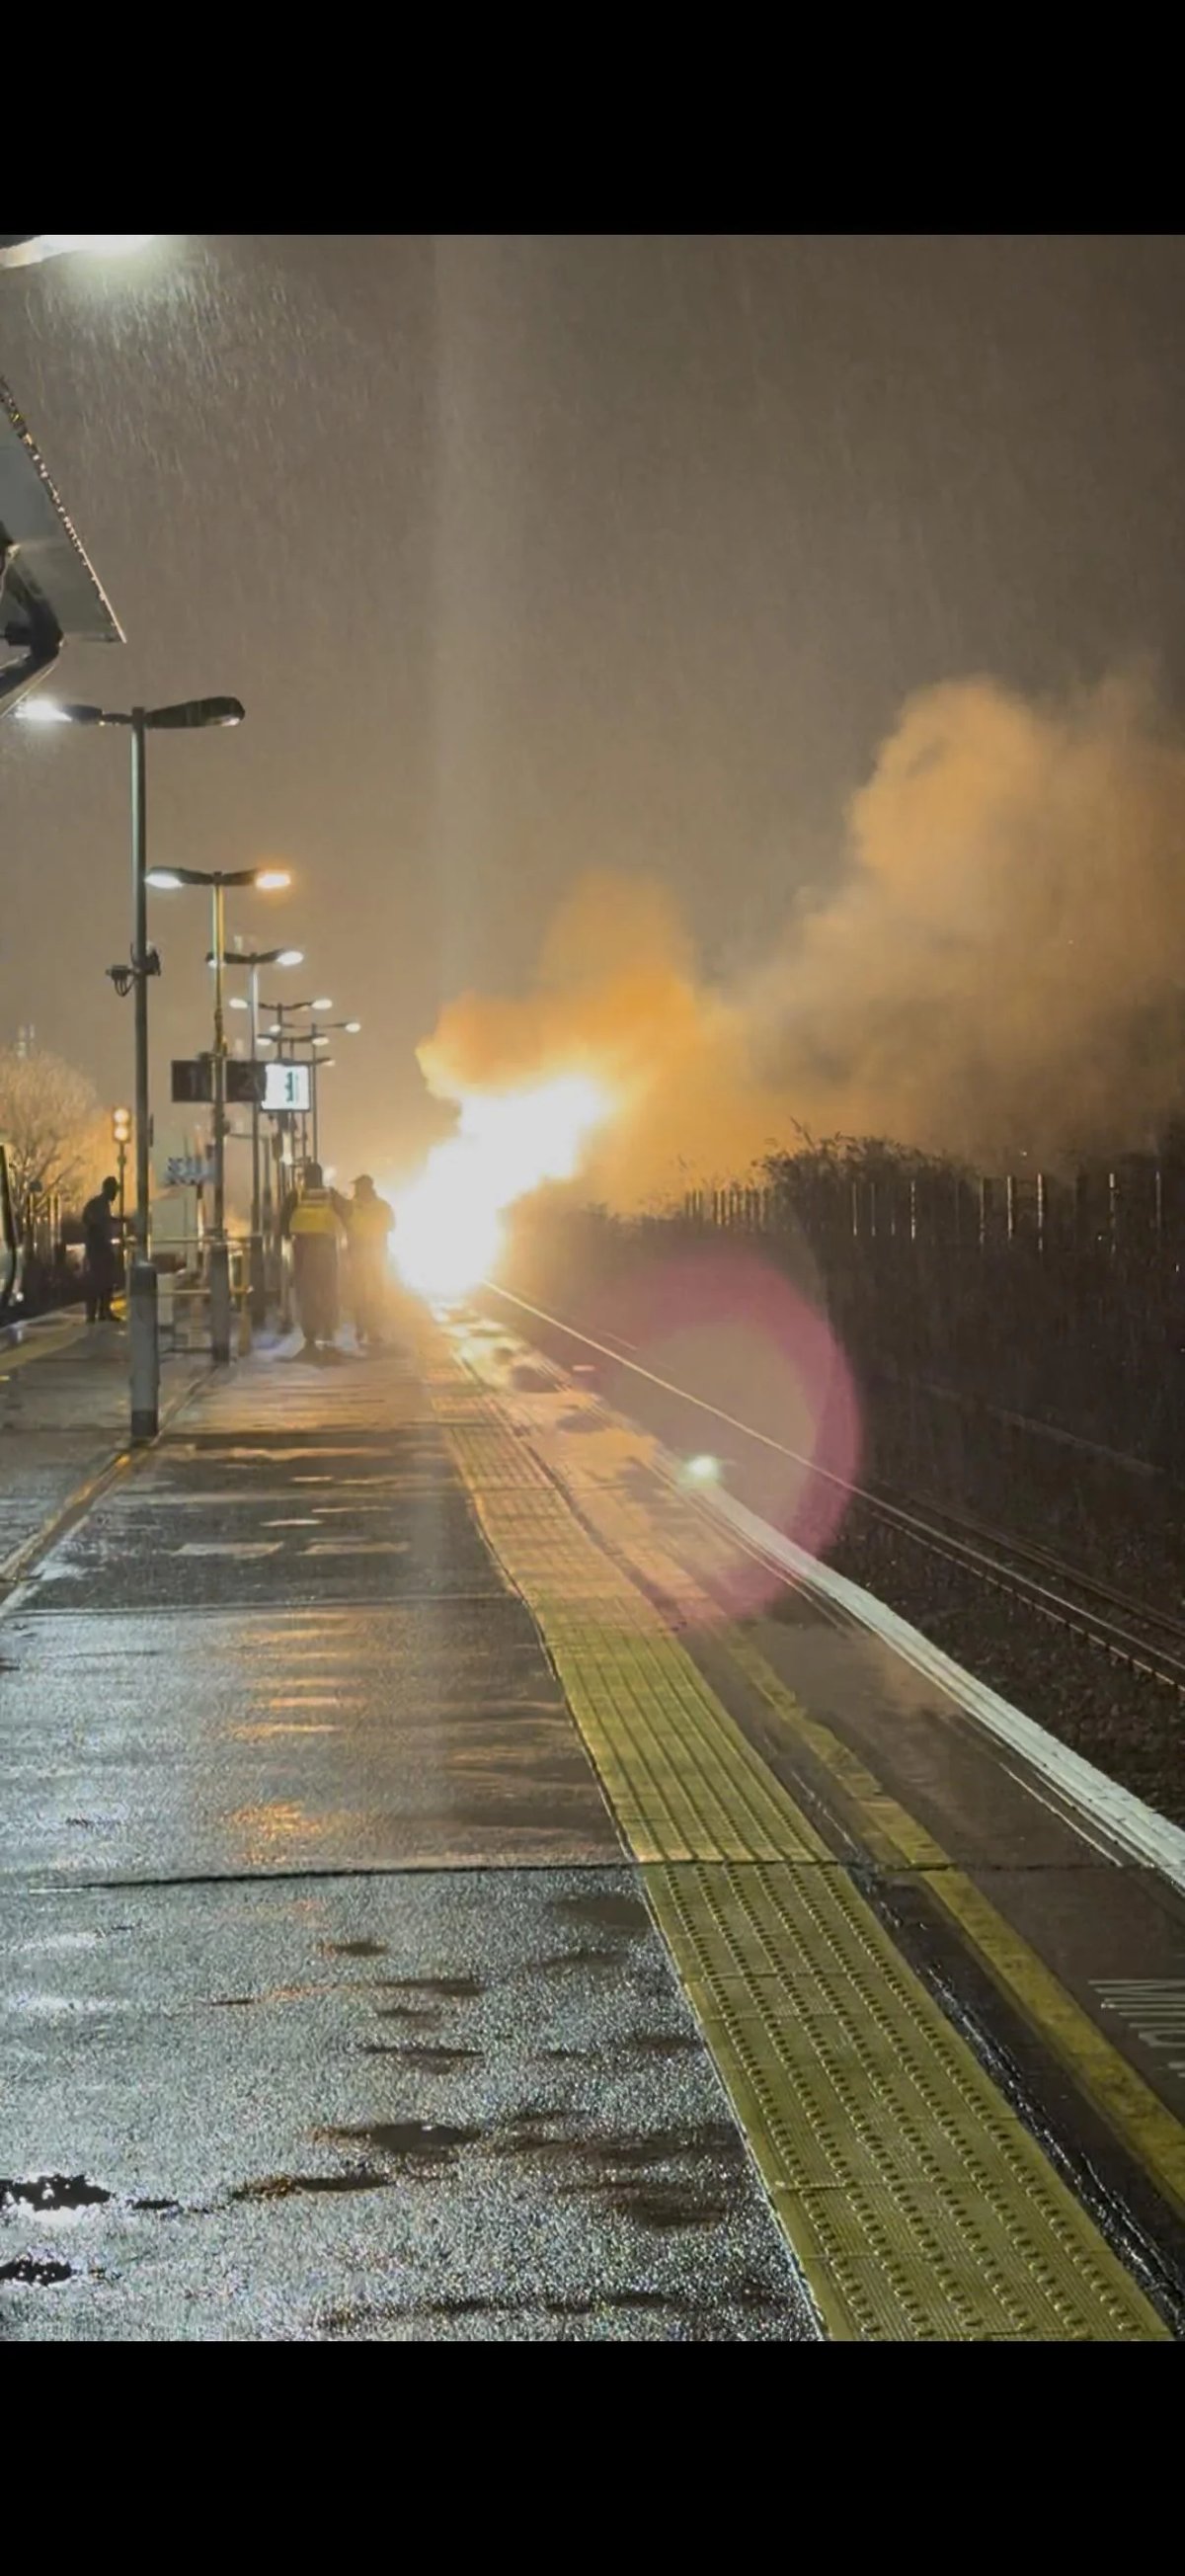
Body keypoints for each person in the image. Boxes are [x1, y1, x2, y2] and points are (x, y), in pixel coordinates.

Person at [279, 1162, 342, 1356]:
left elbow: (283, 1221)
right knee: (329, 1289)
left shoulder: (296, 1195)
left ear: (304, 1177)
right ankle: (329, 1330)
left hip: (303, 1249)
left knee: (306, 1292)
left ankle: (310, 1336)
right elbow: (348, 1214)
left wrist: (286, 1236)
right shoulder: (330, 1195)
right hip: (327, 1248)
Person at [332, 1173, 394, 1349]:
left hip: (363, 1253)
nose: (355, 1190)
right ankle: (367, 1329)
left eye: (357, 1187)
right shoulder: (382, 1206)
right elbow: (392, 1225)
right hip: (373, 1253)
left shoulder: (353, 1206)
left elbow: (344, 1224)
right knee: (369, 1293)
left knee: (365, 1293)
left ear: (364, 1188)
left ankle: (366, 1329)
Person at [81, 1176, 119, 1324]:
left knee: (106, 1281)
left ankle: (104, 1311)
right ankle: (93, 1314)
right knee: (97, 1281)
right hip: (97, 1249)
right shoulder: (96, 1204)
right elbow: (90, 1220)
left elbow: (105, 1220)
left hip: (102, 1247)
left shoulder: (102, 1205)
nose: (115, 1194)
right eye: (114, 1190)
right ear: (108, 1189)